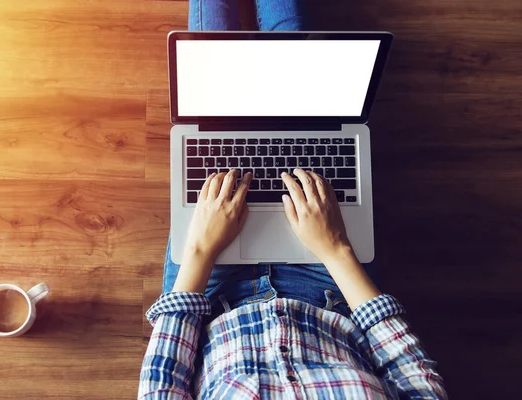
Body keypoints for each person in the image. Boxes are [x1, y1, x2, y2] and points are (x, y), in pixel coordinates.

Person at [139, 1, 447, 399]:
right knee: (304, 95)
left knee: (217, 84)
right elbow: (408, 367)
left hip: (211, 296)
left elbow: (163, 382)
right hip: (332, 286)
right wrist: (334, 248)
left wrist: (199, 248)